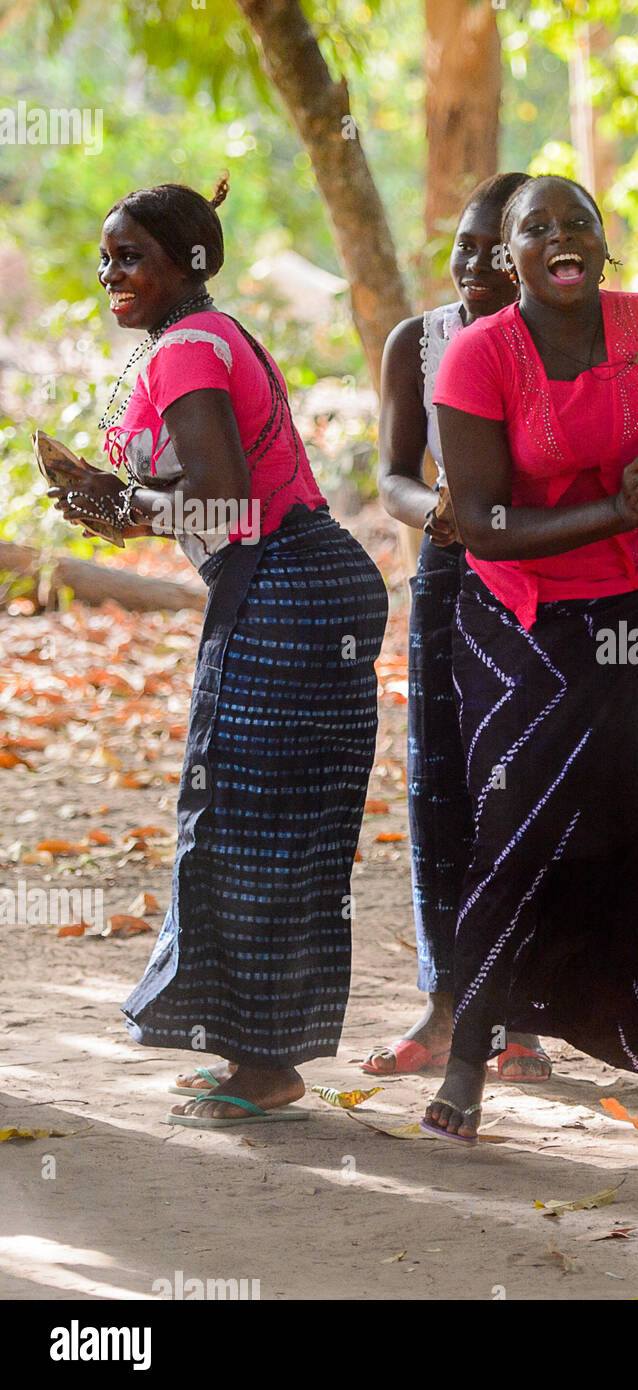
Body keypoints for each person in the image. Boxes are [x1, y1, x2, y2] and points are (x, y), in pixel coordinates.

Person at [422, 173, 638, 1151]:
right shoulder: (480, 357)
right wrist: (614, 505)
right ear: (508, 254)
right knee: (519, 840)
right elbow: (477, 523)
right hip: (522, 629)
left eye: (578, 221)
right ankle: (466, 1060)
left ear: (601, 242)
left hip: (636, 618)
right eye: (537, 227)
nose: (561, 236)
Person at [47, 180, 387, 1127]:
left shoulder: (192, 348)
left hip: (289, 590)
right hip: (298, 585)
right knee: (272, 825)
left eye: (132, 256)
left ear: (186, 264)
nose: (112, 272)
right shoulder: (197, 339)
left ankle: (265, 1067)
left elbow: (226, 505)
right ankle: (263, 1058)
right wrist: (120, 505)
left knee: (248, 824)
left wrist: (123, 505)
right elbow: (208, 503)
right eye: (107, 255)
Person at [369, 172, 551, 1084]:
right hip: (448, 576)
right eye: (465, 245)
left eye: (496, 247)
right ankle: (444, 1005)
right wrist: (432, 508)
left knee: (520, 792)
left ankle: (521, 1020)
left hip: (544, 577)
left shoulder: (559, 343)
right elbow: (393, 473)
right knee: (440, 785)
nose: (475, 263)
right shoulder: (422, 341)